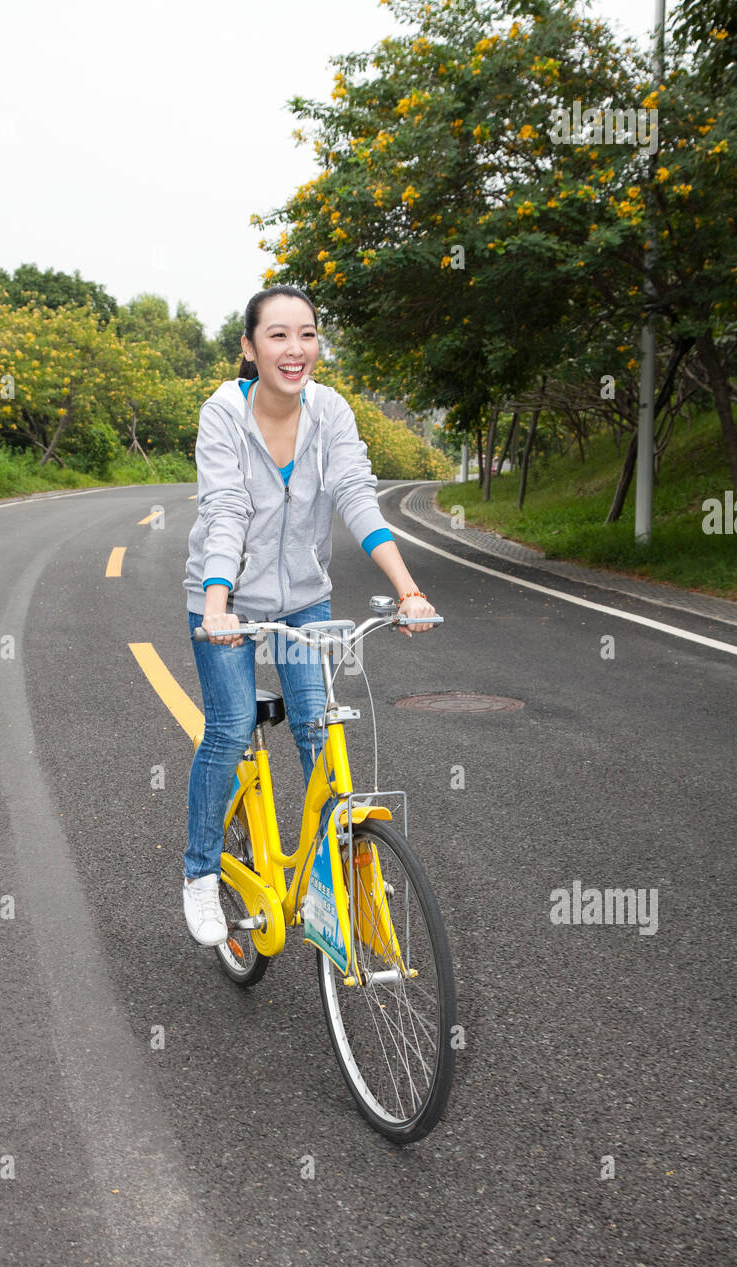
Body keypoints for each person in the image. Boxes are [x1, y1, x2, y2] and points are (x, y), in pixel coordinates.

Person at [182, 286, 437, 945]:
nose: (295, 350)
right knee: (232, 727)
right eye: (277, 336)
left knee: (320, 733)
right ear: (249, 347)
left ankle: (336, 878)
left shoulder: (330, 413)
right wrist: (216, 605)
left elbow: (357, 498)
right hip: (227, 601)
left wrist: (408, 590)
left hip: (302, 601)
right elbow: (226, 511)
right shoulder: (223, 414)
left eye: (308, 335)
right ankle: (202, 875)